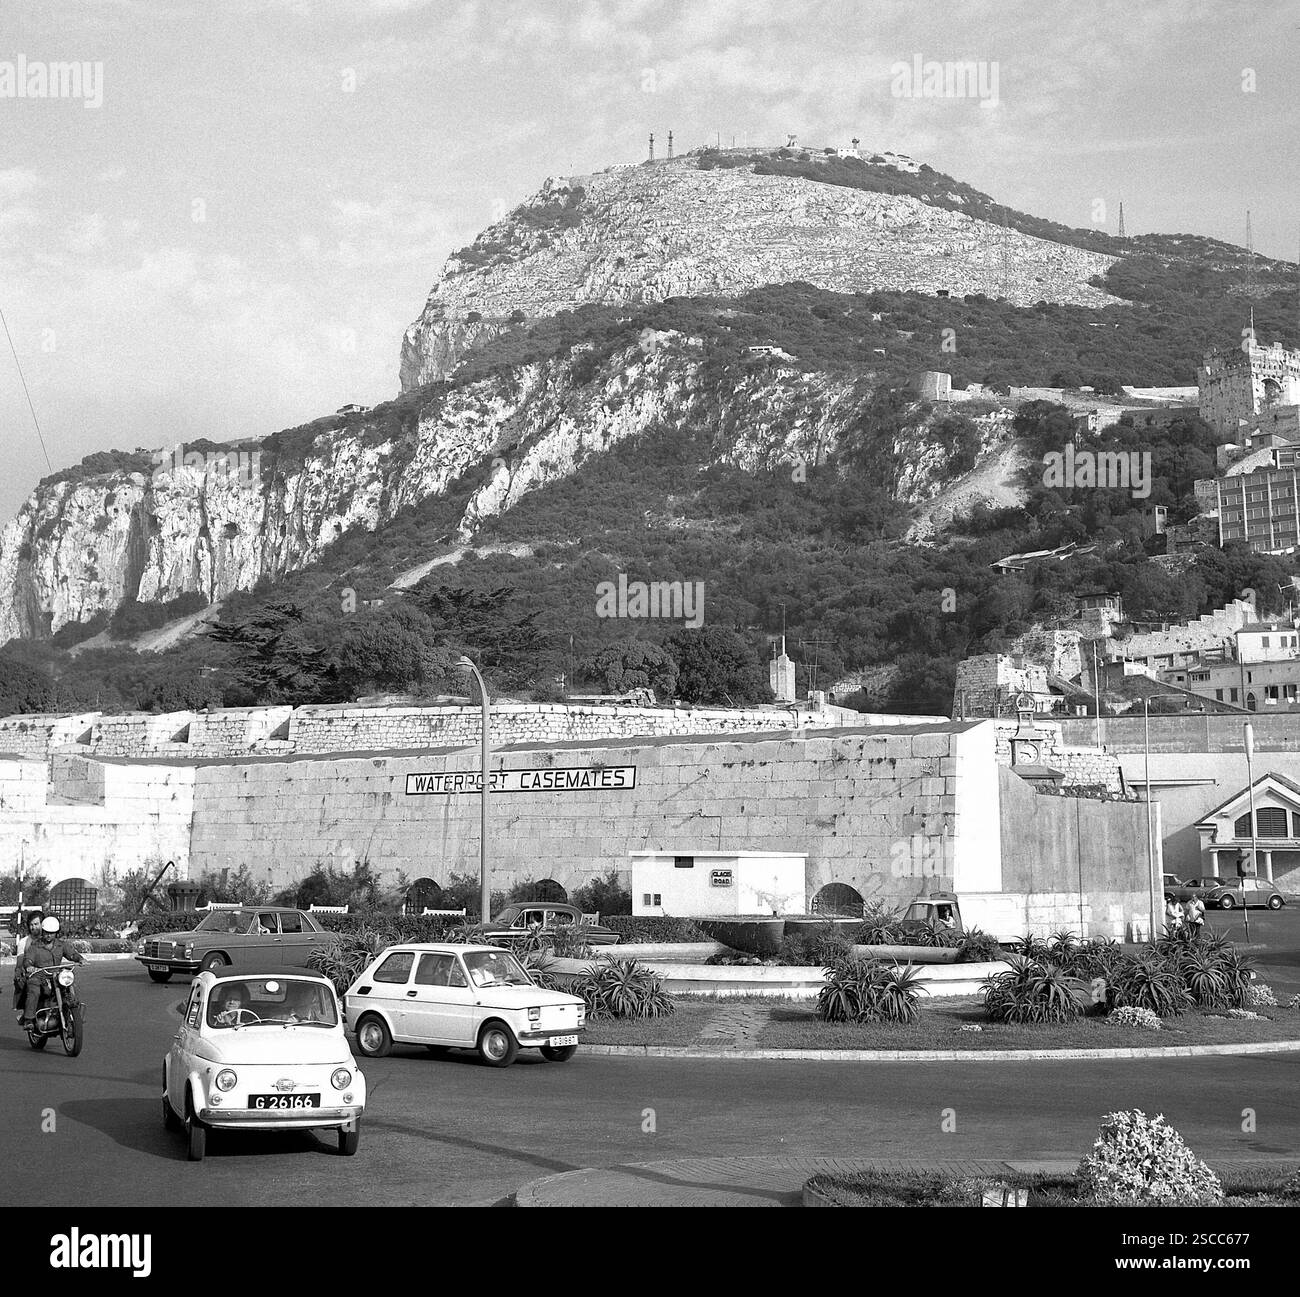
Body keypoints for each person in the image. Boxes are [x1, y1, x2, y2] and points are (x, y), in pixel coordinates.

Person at [19, 916, 84, 1028]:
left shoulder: (61, 945)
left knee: (70, 981)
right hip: (39, 975)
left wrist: (80, 959)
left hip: (56, 975)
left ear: (56, 933)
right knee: (33, 987)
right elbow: (28, 959)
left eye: (52, 933)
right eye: (46, 932)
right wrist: (29, 966)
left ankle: (74, 1009)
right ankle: (28, 1019)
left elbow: (71, 954)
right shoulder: (35, 946)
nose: (49, 935)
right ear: (43, 932)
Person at [12, 912, 43, 1019]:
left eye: (36, 924)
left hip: (49, 972)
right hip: (32, 973)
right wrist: (19, 971)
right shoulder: (23, 942)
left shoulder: (49, 939)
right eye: (31, 925)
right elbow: (20, 961)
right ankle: (27, 1016)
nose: (33, 927)